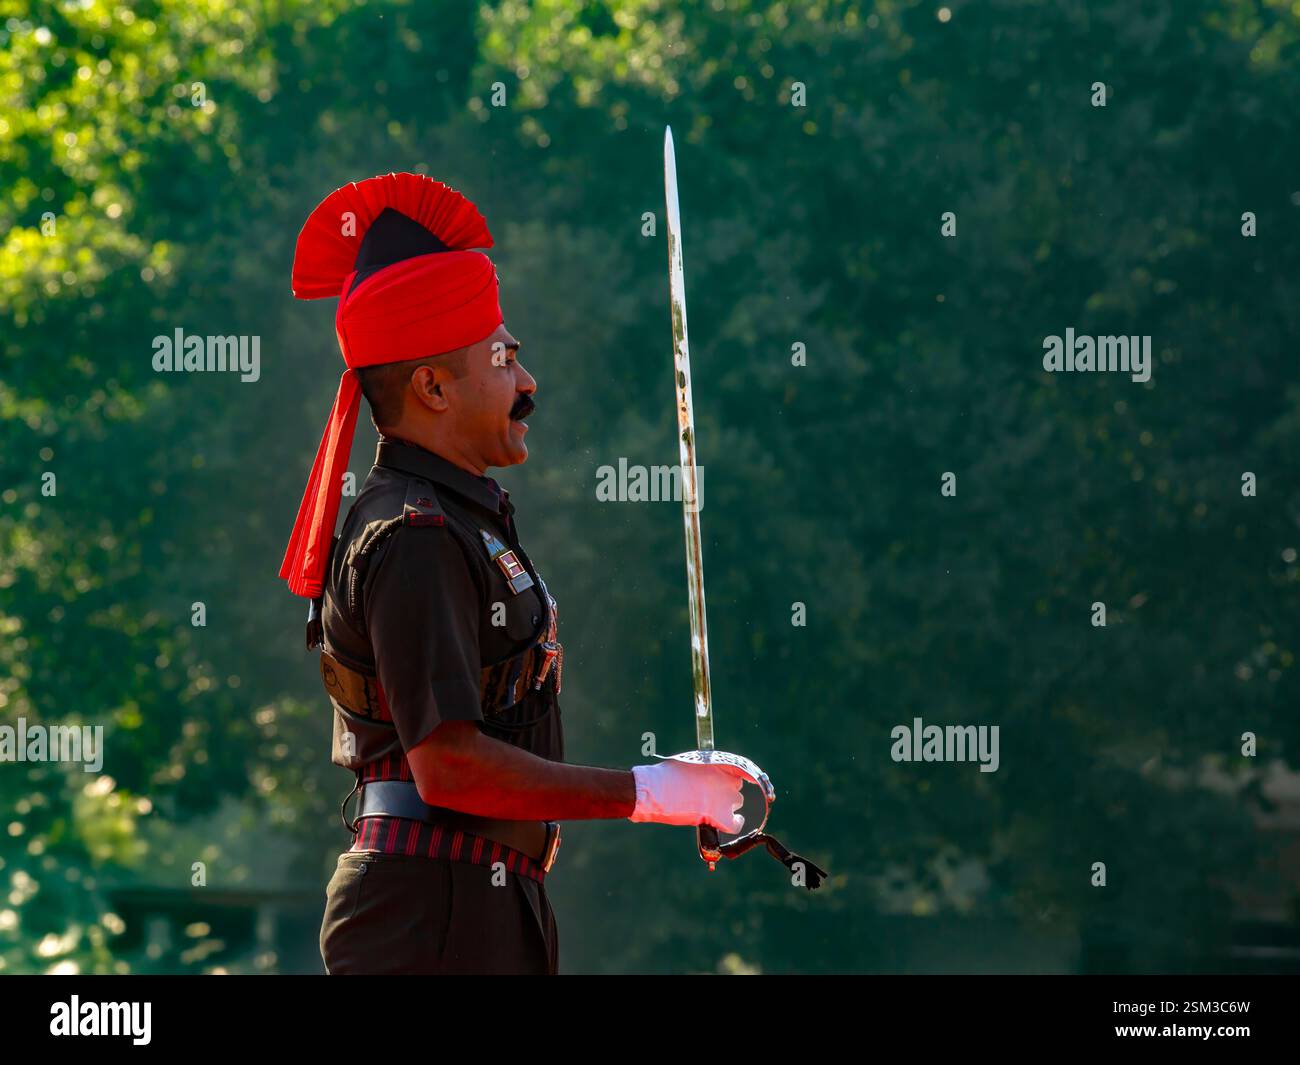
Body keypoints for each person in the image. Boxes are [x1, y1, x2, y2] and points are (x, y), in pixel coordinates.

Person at [278, 173, 753, 974]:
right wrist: (651, 792)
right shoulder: (413, 535)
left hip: (480, 903)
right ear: (431, 386)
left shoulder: (459, 518)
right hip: (429, 917)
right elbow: (448, 762)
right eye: (503, 358)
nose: (527, 383)